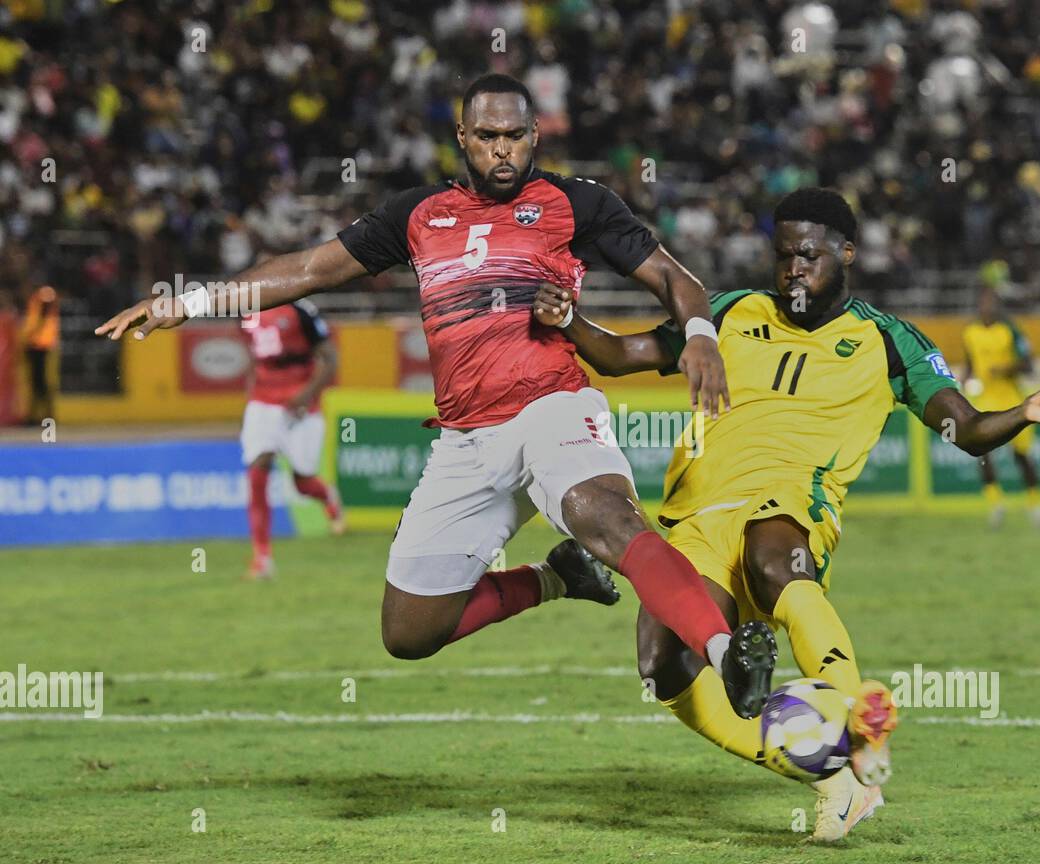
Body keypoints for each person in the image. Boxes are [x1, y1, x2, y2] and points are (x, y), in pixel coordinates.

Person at [96, 73, 773, 717]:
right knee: (409, 631)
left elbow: (673, 276)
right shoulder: (418, 215)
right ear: (461, 136)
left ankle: (726, 654)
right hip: (466, 438)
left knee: (601, 514)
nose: (502, 149)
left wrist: (700, 334)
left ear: (536, 134)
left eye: (515, 136)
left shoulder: (580, 203)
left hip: (553, 406)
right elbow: (306, 270)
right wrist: (192, 300)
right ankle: (558, 578)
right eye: (487, 136)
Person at [532, 188, 1040, 840]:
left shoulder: (886, 340)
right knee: (662, 661)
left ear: (847, 253)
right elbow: (621, 355)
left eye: (808, 255)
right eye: (783, 256)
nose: (793, 268)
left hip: (792, 500)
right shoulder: (729, 312)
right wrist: (570, 319)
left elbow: (963, 427)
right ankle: (837, 775)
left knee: (773, 563)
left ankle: (854, 712)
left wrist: (1025, 411)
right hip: (697, 514)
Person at [238, 296, 344, 580]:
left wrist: (307, 395)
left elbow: (331, 359)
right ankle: (262, 557)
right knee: (257, 470)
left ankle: (327, 495)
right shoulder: (247, 310)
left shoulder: (302, 310)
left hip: (301, 405)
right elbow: (253, 355)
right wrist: (251, 398)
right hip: (262, 403)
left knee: (303, 482)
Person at [960, 286, 1040, 528]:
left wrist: (1006, 368)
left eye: (992, 302)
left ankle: (1035, 503)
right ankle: (996, 504)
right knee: (982, 452)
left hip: (1012, 400)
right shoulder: (970, 332)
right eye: (983, 303)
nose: (987, 307)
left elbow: (1029, 364)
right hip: (985, 401)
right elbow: (969, 364)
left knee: (1021, 456)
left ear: (998, 305)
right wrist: (963, 379)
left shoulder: (1011, 330)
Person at [21, 286, 59, 427]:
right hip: (38, 345)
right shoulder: (36, 298)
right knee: (37, 383)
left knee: (40, 384)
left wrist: (30, 336)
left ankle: (45, 416)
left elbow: (42, 315)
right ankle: (41, 416)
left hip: (40, 346)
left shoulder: (42, 295)